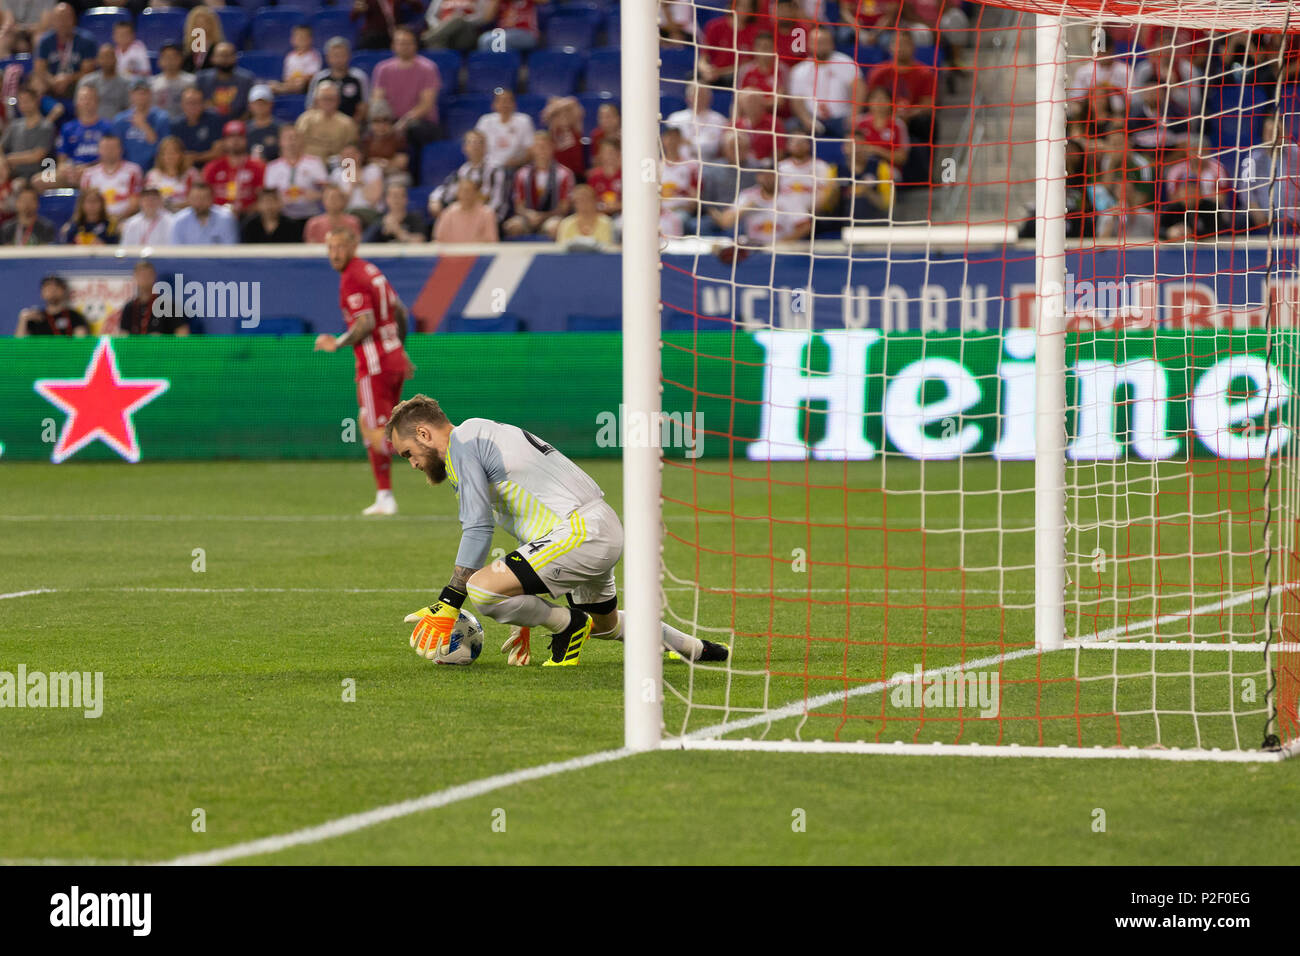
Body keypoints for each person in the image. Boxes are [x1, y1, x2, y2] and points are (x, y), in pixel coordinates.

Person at [386, 395, 728, 666]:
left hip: (580, 532)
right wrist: (527, 618)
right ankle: (694, 647)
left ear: (423, 434)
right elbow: (531, 528)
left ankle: (567, 624)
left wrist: (449, 602)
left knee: (481, 591)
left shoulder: (463, 443)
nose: (413, 463)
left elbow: (478, 527)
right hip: (591, 529)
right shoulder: (480, 435)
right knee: (605, 627)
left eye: (408, 454)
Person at [313, 228, 415, 516]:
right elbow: (401, 312)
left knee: (375, 432)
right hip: (391, 358)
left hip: (375, 365)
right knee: (375, 425)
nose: (334, 253)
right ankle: (384, 496)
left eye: (340, 247)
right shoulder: (371, 270)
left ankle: (443, 454)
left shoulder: (352, 277)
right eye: (330, 247)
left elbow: (366, 322)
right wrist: (401, 349)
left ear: (353, 246)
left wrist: (337, 342)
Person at [370, 26, 441, 148]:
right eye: (401, 43)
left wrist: (404, 122)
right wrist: (383, 123)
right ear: (393, 45)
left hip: (419, 121)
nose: (404, 47)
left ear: (415, 45)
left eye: (408, 43)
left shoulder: (428, 68)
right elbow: (377, 100)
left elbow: (426, 104)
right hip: (390, 120)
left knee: (413, 130)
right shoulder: (382, 69)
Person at [427, 127, 507, 222]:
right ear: (464, 148)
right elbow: (445, 189)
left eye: (479, 143)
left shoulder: (496, 170)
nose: (475, 146)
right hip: (465, 218)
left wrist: (479, 217)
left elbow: (497, 202)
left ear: (486, 147)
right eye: (471, 142)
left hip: (489, 219)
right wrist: (434, 200)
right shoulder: (463, 170)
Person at [504, 130, 573, 239]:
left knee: (555, 227)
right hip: (528, 217)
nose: (541, 150)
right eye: (538, 146)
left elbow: (564, 208)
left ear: (552, 148)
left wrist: (542, 216)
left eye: (545, 146)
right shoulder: (522, 173)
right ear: (532, 149)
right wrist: (529, 214)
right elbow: (519, 206)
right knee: (512, 226)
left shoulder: (564, 174)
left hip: (553, 217)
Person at [30, 3, 96, 108]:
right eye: (59, 19)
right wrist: (52, 81)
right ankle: (47, 114)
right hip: (51, 84)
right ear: (53, 21)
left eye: (66, 18)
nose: (63, 23)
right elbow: (39, 68)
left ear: (74, 19)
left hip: (75, 84)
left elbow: (87, 71)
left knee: (87, 83)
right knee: (36, 83)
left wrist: (67, 79)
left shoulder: (86, 40)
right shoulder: (45, 41)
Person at [263, 125, 329, 223]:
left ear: (302, 141)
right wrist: (280, 200)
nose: (292, 141)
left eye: (295, 138)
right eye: (288, 138)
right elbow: (268, 197)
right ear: (280, 142)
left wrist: (318, 195)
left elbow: (327, 191)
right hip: (282, 217)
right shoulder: (272, 167)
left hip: (311, 215)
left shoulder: (315, 163)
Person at [203, 120, 265, 217]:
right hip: (216, 217)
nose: (235, 140)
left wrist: (245, 211)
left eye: (239, 136)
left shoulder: (258, 167)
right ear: (224, 140)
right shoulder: (213, 166)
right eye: (230, 137)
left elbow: (264, 199)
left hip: (248, 217)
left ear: (246, 139)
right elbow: (203, 196)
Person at [113, 259, 189, 334]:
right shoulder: (130, 307)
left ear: (154, 276)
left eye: (148, 275)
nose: (145, 279)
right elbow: (123, 337)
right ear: (135, 277)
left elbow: (182, 335)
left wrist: (163, 342)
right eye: (141, 275)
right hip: (136, 346)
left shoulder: (168, 306)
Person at [54, 82, 110, 185]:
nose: (86, 102)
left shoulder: (107, 127)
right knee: (39, 181)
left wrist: (87, 169)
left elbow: (110, 159)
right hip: (72, 172)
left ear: (97, 102)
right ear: (77, 102)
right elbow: (61, 160)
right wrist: (65, 169)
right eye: (83, 98)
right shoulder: (67, 128)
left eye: (90, 98)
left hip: (98, 172)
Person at [79, 132, 141, 220]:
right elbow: (84, 203)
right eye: (105, 148)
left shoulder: (133, 171)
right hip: (97, 220)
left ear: (121, 149)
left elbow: (135, 202)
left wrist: (115, 220)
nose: (109, 151)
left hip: (125, 220)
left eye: (113, 148)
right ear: (99, 150)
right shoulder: (89, 174)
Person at [307, 37, 369, 125]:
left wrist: (351, 126)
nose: (338, 59)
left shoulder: (359, 77)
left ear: (349, 56)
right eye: (335, 55)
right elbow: (312, 107)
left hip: (352, 126)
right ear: (328, 57)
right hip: (323, 126)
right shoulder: (319, 78)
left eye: (342, 55)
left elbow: (364, 106)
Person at [295, 80, 359, 164]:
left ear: (338, 100)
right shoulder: (305, 119)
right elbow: (296, 144)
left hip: (335, 166)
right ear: (317, 100)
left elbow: (351, 149)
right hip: (307, 165)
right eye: (324, 98)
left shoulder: (347, 123)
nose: (328, 102)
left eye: (331, 99)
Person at [114, 77, 170, 172]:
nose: (140, 97)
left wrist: (143, 125)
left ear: (150, 94)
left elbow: (164, 149)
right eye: (136, 93)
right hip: (127, 170)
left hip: (155, 170)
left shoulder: (161, 118)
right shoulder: (120, 120)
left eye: (144, 93)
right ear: (130, 95)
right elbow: (116, 149)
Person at [2, 85, 55, 183]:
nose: (23, 105)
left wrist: (9, 159)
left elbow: (37, 155)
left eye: (27, 101)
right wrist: (2, 161)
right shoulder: (15, 125)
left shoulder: (46, 126)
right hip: (12, 173)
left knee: (17, 185)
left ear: (36, 101)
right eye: (21, 102)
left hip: (35, 174)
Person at [475, 87, 533, 170]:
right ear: (494, 104)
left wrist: (518, 162)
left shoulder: (524, 120)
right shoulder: (485, 120)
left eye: (508, 101)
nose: (504, 104)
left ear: (514, 104)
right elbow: (476, 146)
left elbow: (530, 149)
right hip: (487, 167)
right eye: (500, 101)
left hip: (515, 167)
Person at [196, 41, 255, 120]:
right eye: (221, 56)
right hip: (207, 125)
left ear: (235, 58)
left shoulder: (246, 80)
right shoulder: (201, 79)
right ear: (212, 58)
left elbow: (250, 109)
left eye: (229, 55)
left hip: (238, 127)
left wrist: (239, 123)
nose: (225, 59)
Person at [169, 179, 239, 244]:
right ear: (188, 199)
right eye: (196, 198)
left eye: (204, 198)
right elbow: (176, 252)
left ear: (212, 198)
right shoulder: (179, 220)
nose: (200, 202)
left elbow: (231, 251)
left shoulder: (226, 219)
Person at [16, 274, 88, 335]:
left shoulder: (74, 316)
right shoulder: (34, 318)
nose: (51, 291)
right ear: (42, 292)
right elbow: (19, 345)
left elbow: (80, 342)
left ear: (63, 291)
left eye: (56, 287)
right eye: (47, 287)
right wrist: (23, 320)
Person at [432, 176, 496, 242]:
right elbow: (438, 239)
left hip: (477, 251)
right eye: (462, 191)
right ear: (457, 193)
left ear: (476, 193)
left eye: (469, 191)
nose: (466, 195)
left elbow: (490, 240)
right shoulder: (448, 212)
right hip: (452, 252)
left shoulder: (487, 213)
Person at [172, 86, 223, 168]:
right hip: (183, 168)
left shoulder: (214, 120)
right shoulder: (175, 125)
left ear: (203, 104)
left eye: (196, 102)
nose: (193, 106)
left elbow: (218, 152)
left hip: (211, 167)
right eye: (189, 102)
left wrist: (196, 157)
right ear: (182, 104)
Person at [145, 135, 198, 211]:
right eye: (166, 153)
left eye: (174, 152)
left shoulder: (191, 174)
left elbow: (198, 199)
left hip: (184, 214)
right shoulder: (152, 175)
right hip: (160, 216)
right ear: (160, 156)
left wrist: (173, 206)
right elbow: (147, 200)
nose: (170, 156)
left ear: (182, 154)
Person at [76, 42, 128, 118]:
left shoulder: (126, 83)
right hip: (91, 125)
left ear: (116, 59)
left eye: (109, 57)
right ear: (98, 60)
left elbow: (129, 110)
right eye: (103, 57)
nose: (107, 61)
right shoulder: (87, 82)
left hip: (116, 126)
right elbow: (78, 108)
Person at [555, 183, 612, 247]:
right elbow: (561, 248)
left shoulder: (606, 222)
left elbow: (609, 248)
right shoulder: (567, 223)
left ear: (595, 201)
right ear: (574, 203)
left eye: (587, 199)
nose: (583, 204)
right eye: (579, 200)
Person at [272, 23, 321, 96]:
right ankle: (284, 89)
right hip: (291, 83)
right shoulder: (289, 56)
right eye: (298, 36)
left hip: (306, 86)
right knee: (272, 84)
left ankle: (283, 90)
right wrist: (290, 82)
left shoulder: (314, 55)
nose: (301, 39)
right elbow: (286, 77)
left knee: (300, 83)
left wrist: (299, 79)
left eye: (304, 37)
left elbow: (312, 75)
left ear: (310, 39)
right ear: (292, 39)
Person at [151, 42, 195, 122]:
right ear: (159, 61)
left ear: (181, 59)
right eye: (166, 57)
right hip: (160, 125)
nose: (170, 61)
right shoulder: (152, 83)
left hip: (184, 125)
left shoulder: (191, 81)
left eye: (174, 57)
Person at [245, 85, 281, 163]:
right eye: (256, 103)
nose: (260, 106)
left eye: (264, 103)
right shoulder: (244, 129)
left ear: (271, 104)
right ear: (250, 106)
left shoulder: (280, 128)